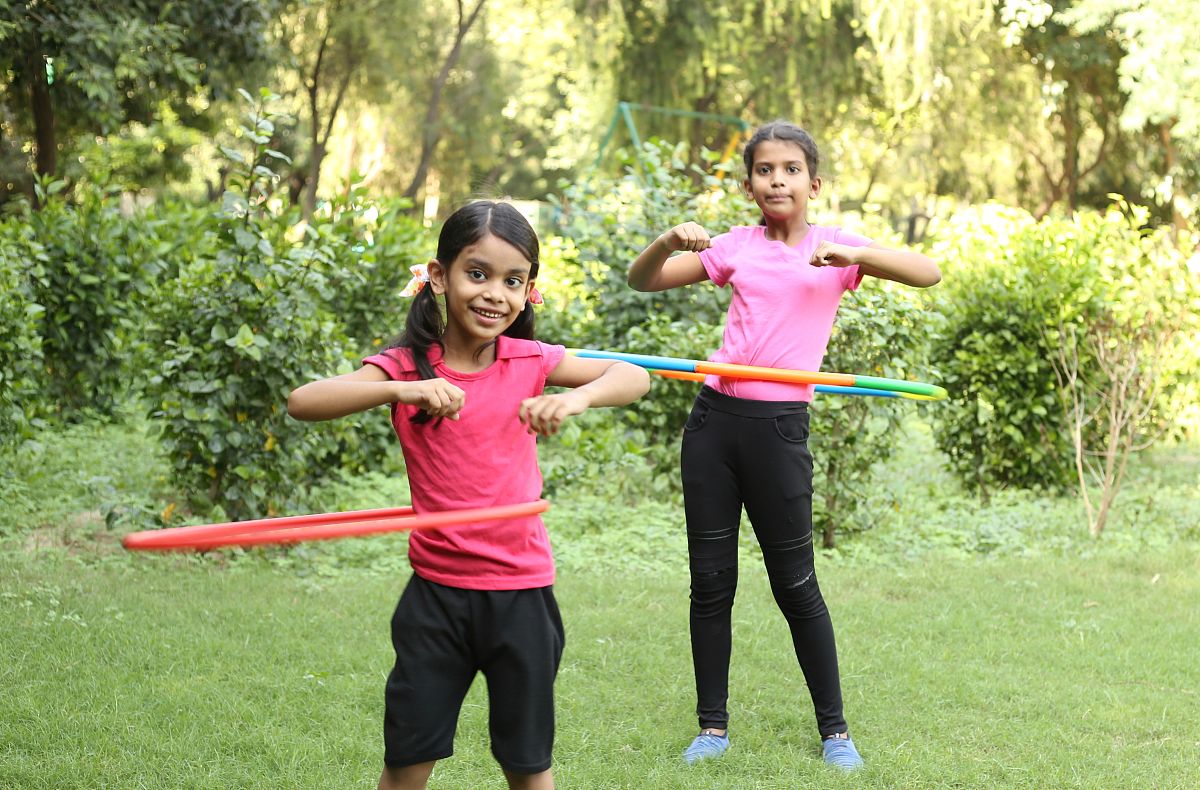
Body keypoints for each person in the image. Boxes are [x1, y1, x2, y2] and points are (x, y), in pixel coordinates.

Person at [288, 201, 650, 790]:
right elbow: (304, 401)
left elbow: (633, 377)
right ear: (438, 277)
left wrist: (575, 398)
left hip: (522, 595)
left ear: (528, 291)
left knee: (527, 762)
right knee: (408, 757)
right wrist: (402, 392)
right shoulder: (405, 367)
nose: (494, 294)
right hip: (436, 599)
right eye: (476, 274)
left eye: (513, 281)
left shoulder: (529, 360)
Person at [627, 120, 941, 771]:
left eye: (790, 169)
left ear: (813, 183)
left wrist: (857, 257)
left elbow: (928, 272)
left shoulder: (835, 247)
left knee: (795, 583)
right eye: (765, 170)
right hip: (713, 425)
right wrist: (667, 239)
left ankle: (837, 733)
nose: (777, 179)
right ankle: (712, 728)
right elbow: (643, 281)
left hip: (779, 431)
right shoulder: (734, 246)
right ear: (749, 185)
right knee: (711, 582)